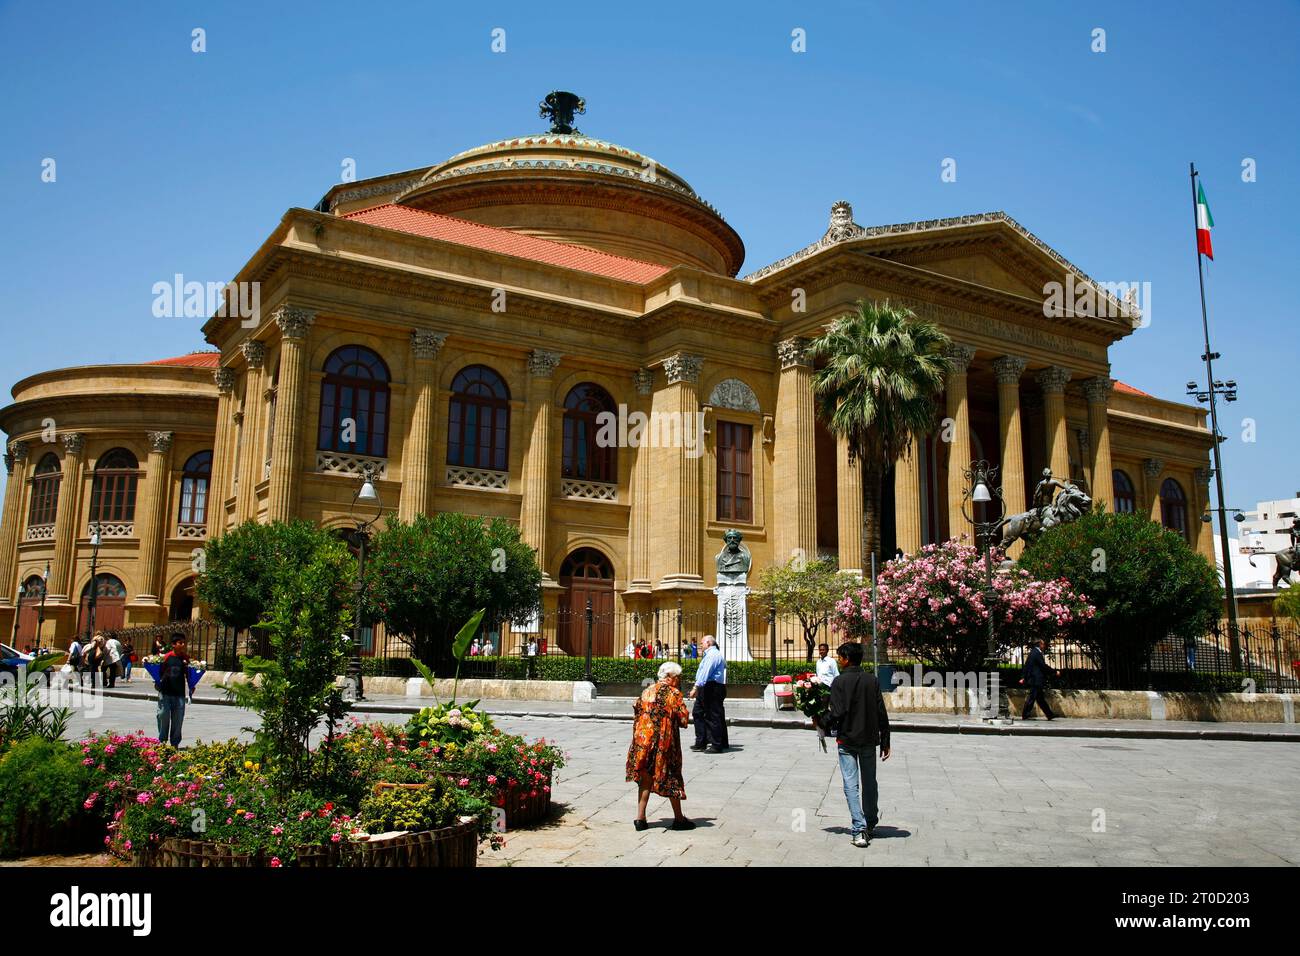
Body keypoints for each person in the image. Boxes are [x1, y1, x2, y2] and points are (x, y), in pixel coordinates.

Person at [826, 641, 891, 848]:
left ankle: (858, 828)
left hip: (847, 740)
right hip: (869, 739)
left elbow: (836, 712)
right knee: (870, 782)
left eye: (840, 656)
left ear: (846, 659)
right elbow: (881, 711)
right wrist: (885, 739)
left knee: (850, 785)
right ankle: (870, 822)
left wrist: (821, 721)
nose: (839, 660)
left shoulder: (838, 682)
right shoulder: (871, 680)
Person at [626, 661, 694, 831]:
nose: (679, 680)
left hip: (643, 742)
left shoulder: (647, 691)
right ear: (670, 677)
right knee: (671, 776)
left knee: (645, 778)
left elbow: (636, 710)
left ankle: (640, 818)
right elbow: (684, 720)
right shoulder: (674, 693)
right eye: (678, 677)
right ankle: (679, 819)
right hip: (664, 744)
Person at [689, 635, 728, 753]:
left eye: (702, 643)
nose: (700, 645)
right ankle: (702, 741)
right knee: (698, 712)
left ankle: (716, 744)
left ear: (709, 643)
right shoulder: (711, 654)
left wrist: (696, 687)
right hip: (709, 687)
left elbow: (705, 672)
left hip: (712, 687)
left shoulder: (712, 655)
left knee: (713, 716)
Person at [155, 634, 192, 746]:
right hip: (165, 692)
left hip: (179, 693)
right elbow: (158, 672)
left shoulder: (185, 658)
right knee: (163, 715)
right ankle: (162, 740)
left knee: (178, 719)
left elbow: (189, 675)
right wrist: (157, 682)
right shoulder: (166, 657)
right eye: (180, 642)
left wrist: (192, 686)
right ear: (173, 644)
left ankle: (175, 743)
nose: (183, 645)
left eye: (183, 642)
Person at [1019, 638, 1058, 720]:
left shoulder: (1033, 652)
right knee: (1032, 698)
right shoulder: (1037, 653)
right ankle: (1025, 715)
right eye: (1043, 644)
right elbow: (1043, 666)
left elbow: (1027, 665)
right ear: (1040, 644)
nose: (1044, 646)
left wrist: (1023, 677)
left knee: (1040, 699)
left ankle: (1049, 714)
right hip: (1036, 679)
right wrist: (1054, 672)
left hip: (1035, 679)